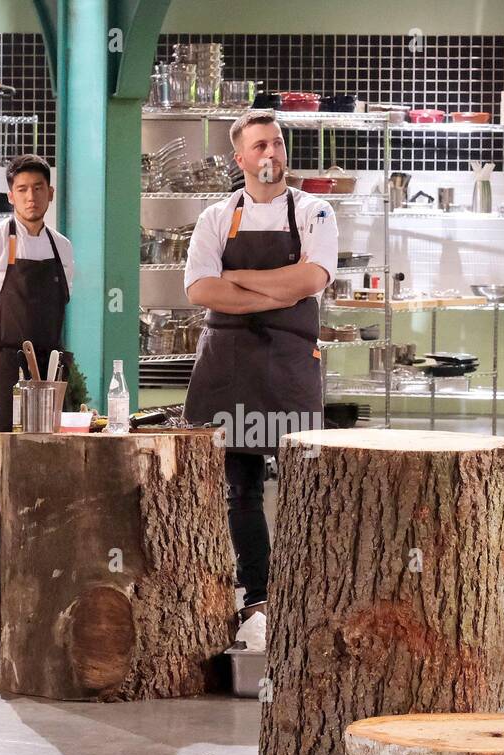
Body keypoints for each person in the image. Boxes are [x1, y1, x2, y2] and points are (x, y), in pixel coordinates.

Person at [183, 110, 338, 641]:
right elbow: (200, 290)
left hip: (290, 365)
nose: (271, 154)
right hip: (227, 366)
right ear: (240, 158)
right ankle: (258, 592)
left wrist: (238, 280)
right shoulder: (215, 217)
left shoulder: (315, 212)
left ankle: (302, 590)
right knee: (239, 490)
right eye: (259, 146)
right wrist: (278, 289)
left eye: (276, 144)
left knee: (303, 484)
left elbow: (312, 278)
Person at [0, 154, 74, 433]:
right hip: (3, 370)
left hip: (50, 371)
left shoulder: (63, 247)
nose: (30, 197)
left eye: (38, 188)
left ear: (51, 193)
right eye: (22, 190)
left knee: (52, 456)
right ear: (11, 196)